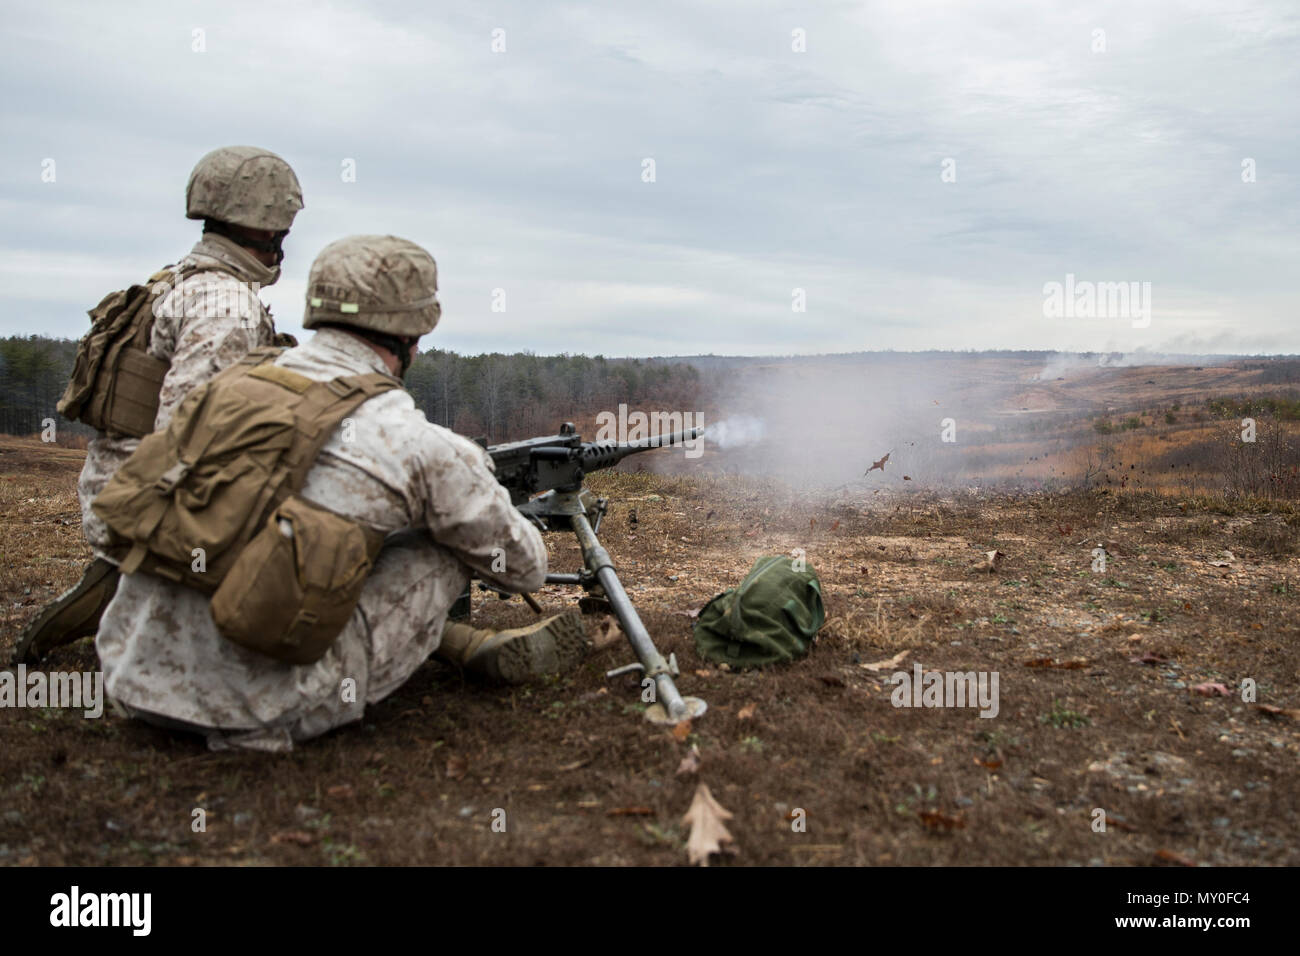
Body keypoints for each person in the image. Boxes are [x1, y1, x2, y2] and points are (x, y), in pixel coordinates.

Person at [94, 234, 585, 752]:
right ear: (414, 334)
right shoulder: (417, 443)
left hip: (132, 675)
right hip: (256, 710)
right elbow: (524, 569)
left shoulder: (232, 384)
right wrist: (472, 490)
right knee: (445, 547)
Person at [15, 145, 304, 663]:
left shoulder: (172, 281)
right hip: (150, 512)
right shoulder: (227, 306)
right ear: (270, 226)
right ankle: (136, 583)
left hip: (116, 493)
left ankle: (134, 579)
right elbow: (194, 441)